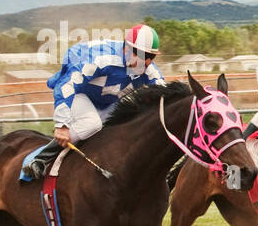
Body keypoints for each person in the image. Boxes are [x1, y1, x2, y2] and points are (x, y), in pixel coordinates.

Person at [26, 24, 164, 179]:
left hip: (106, 102)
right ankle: (41, 159)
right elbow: (67, 86)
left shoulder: (148, 71)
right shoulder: (99, 60)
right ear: (127, 50)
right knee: (92, 124)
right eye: (144, 55)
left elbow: (166, 98)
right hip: (78, 93)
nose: (148, 62)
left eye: (151, 57)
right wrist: (62, 125)